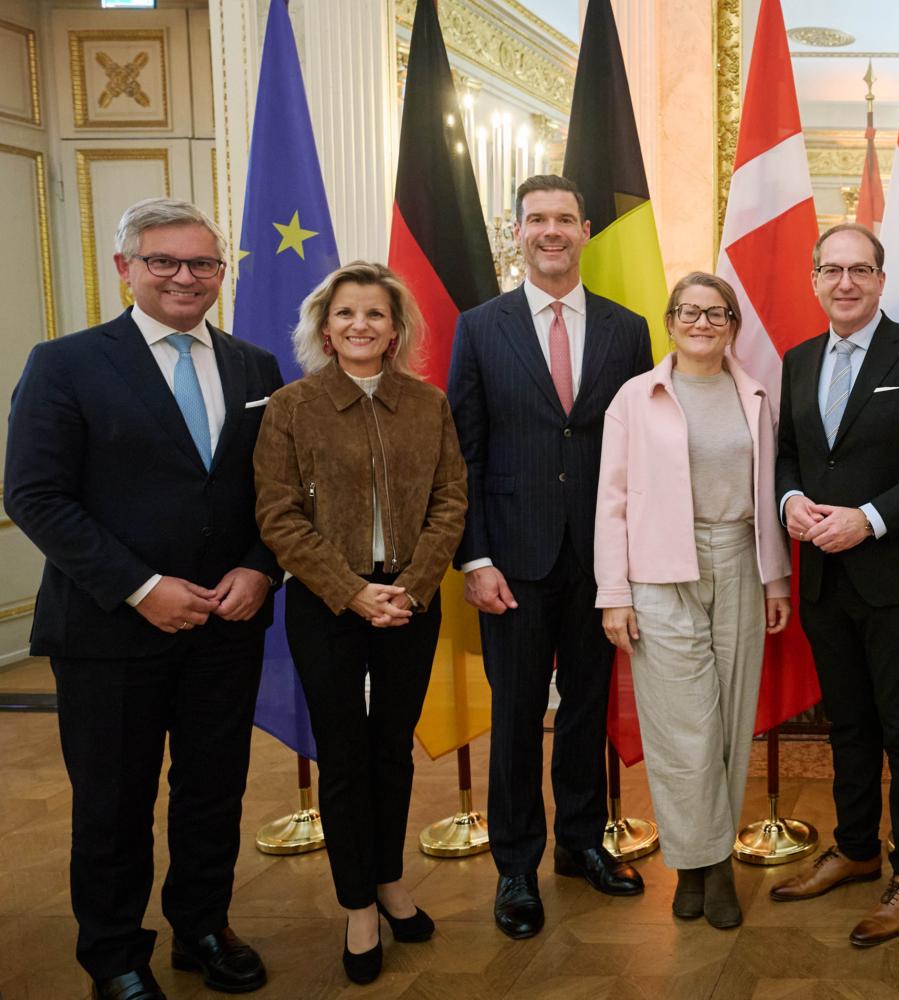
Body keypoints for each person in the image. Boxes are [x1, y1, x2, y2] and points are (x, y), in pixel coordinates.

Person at [5, 198, 282, 1000]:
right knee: (112, 804)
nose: (184, 277)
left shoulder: (254, 366)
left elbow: (277, 494)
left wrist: (262, 568)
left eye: (201, 264)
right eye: (163, 261)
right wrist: (141, 587)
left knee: (213, 790)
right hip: (108, 633)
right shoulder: (65, 362)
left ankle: (203, 925)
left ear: (221, 274)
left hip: (227, 626)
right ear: (126, 268)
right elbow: (36, 494)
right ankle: (116, 955)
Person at [447, 174, 656, 938]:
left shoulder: (628, 329)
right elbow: (460, 452)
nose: (551, 231)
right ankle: (515, 868)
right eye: (536, 219)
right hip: (513, 560)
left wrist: (630, 559)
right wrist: (475, 560)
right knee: (515, 719)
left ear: (586, 228)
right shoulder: (480, 327)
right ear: (517, 232)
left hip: (599, 560)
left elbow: (638, 449)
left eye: (565, 218)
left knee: (588, 713)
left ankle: (579, 844)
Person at [252, 262, 467, 983]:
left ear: (396, 328)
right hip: (326, 607)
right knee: (343, 758)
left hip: (410, 602)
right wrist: (352, 591)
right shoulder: (291, 406)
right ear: (324, 326)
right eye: (345, 314)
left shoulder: (429, 404)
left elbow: (450, 501)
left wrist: (407, 586)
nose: (360, 326)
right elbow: (278, 515)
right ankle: (358, 908)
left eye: (374, 315)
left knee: (392, 754)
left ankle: (390, 881)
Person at [768, 223, 899, 947]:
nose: (846, 283)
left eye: (861, 270)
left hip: (898, 577)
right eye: (832, 270)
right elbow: (788, 455)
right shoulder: (796, 361)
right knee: (847, 726)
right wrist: (791, 502)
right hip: (823, 577)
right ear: (815, 280)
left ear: (882, 281)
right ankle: (856, 848)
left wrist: (872, 519)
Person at [595, 272, 792, 930]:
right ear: (670, 320)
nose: (702, 323)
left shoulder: (756, 395)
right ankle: (695, 864)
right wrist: (613, 593)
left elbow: (767, 491)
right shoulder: (636, 397)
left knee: (731, 721)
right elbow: (613, 501)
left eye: (716, 313)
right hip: (659, 572)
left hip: (738, 558)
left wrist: (775, 579)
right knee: (685, 730)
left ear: (733, 324)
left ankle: (715, 864)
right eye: (689, 311)